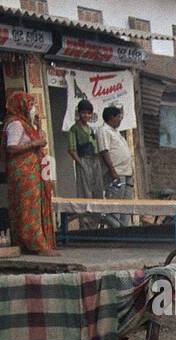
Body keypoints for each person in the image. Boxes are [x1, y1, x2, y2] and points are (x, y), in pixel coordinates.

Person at [4, 91, 57, 255]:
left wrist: (38, 127)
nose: (33, 108)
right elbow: (11, 147)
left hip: (32, 170)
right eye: (30, 104)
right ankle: (35, 244)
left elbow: (40, 141)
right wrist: (35, 143)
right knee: (29, 207)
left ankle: (33, 243)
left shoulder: (26, 124)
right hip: (23, 171)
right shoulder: (16, 124)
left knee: (34, 205)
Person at [96, 105, 134, 227]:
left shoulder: (116, 132)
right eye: (119, 117)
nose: (120, 119)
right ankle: (115, 229)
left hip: (127, 172)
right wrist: (112, 171)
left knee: (126, 206)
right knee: (115, 204)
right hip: (116, 172)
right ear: (111, 117)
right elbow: (104, 151)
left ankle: (125, 230)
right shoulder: (103, 131)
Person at [66, 98, 102, 200]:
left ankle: (97, 215)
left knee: (97, 188)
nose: (86, 115)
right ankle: (86, 215)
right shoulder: (74, 129)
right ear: (79, 113)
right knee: (85, 189)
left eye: (89, 113)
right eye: (83, 113)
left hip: (94, 160)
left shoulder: (90, 128)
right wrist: (81, 164)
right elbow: (71, 150)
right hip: (83, 160)